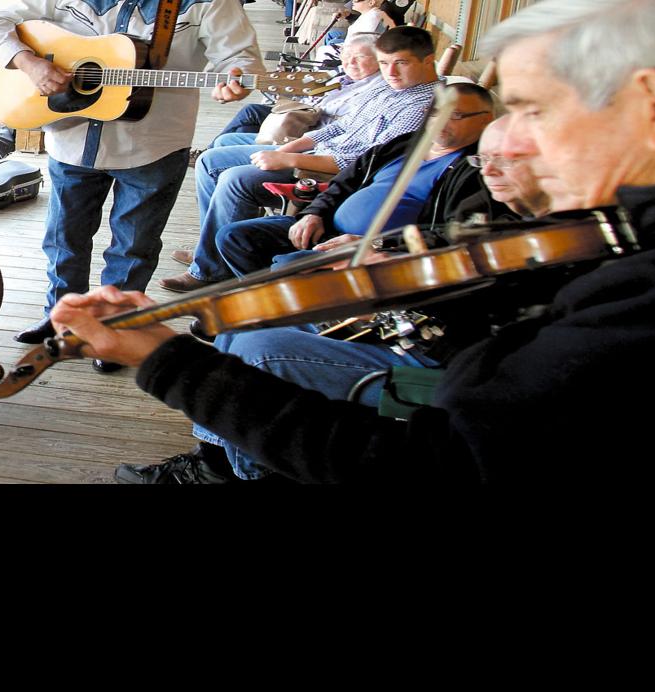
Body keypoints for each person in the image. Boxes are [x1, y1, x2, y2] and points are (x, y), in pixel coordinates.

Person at [50, 0, 655, 484]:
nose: (505, 141)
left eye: (530, 110)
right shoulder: (627, 233)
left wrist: (167, 361)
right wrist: (430, 266)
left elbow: (428, 463)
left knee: (260, 341)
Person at [123, 109, 567, 484]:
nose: (489, 170)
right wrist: (384, 250)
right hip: (407, 318)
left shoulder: (566, 241)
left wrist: (409, 281)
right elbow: (442, 237)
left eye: (509, 160)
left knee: (258, 351)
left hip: (442, 356)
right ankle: (215, 462)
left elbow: (497, 320)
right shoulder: (498, 211)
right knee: (241, 317)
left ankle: (237, 473)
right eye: (484, 159)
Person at [0, 0, 262, 378]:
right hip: (70, 135)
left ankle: (114, 331)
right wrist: (30, 62)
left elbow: (240, 57)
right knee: (64, 238)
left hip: (153, 144)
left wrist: (237, 78)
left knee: (133, 246)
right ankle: (61, 317)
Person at [163, 24, 438, 292]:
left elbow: (364, 164)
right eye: (384, 63)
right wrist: (289, 149)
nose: (390, 72)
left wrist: (291, 161)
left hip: (327, 173)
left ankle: (210, 270)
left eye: (401, 63)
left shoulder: (423, 105)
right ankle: (211, 253)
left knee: (234, 179)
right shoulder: (388, 87)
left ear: (428, 61)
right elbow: (340, 127)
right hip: (315, 153)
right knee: (210, 161)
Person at [214, 83, 494, 278]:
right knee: (234, 238)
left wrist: (377, 243)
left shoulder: (477, 171)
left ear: (486, 119)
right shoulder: (405, 144)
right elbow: (345, 181)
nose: (440, 122)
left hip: (376, 255)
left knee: (286, 267)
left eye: (455, 115)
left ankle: (276, 320)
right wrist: (314, 213)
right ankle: (272, 317)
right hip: (326, 228)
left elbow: (456, 233)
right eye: (434, 113)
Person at [207, 33, 383, 148]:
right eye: (347, 55)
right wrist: (276, 87)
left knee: (238, 131)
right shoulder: (342, 73)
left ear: (379, 59)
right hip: (300, 116)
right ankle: (216, 155)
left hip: (310, 129)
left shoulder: (374, 88)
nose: (350, 62)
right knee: (247, 121)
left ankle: (214, 154)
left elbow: (334, 119)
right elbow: (307, 85)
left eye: (360, 57)